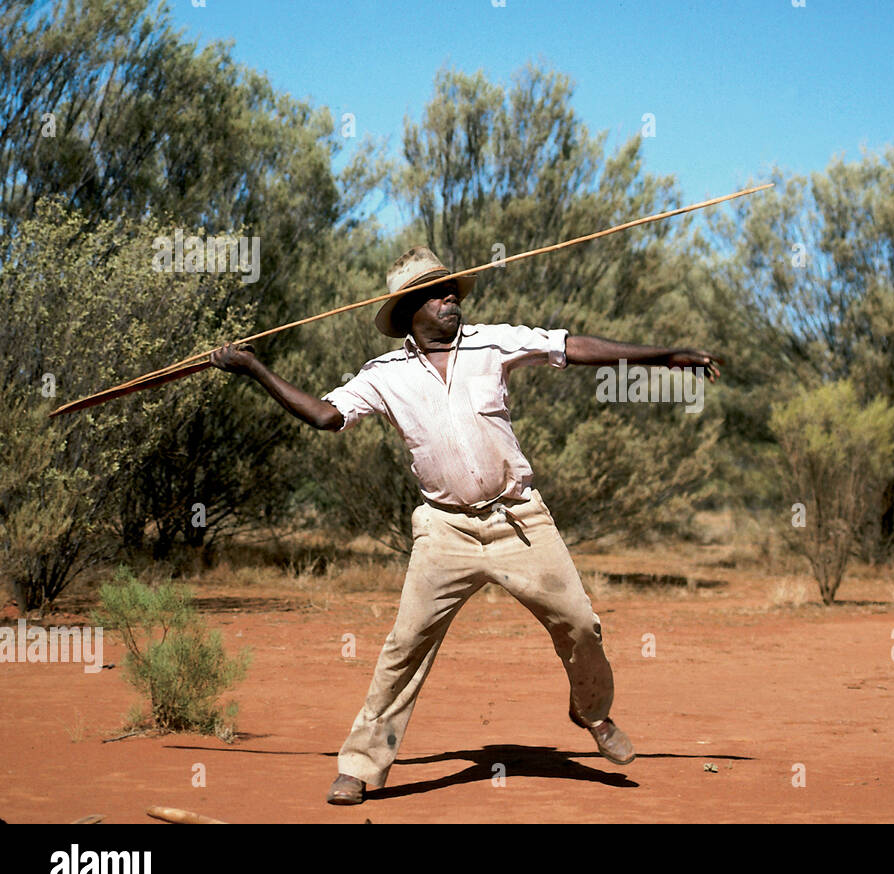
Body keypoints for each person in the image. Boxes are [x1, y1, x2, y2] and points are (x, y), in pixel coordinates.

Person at [209, 245, 722, 805]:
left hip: (519, 518)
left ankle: (592, 714)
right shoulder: (382, 375)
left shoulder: (491, 342)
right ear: (409, 312)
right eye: (435, 293)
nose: (450, 298)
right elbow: (326, 417)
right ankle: (360, 765)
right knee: (405, 646)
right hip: (444, 531)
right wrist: (253, 368)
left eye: (451, 290)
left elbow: (569, 347)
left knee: (580, 625)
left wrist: (663, 356)